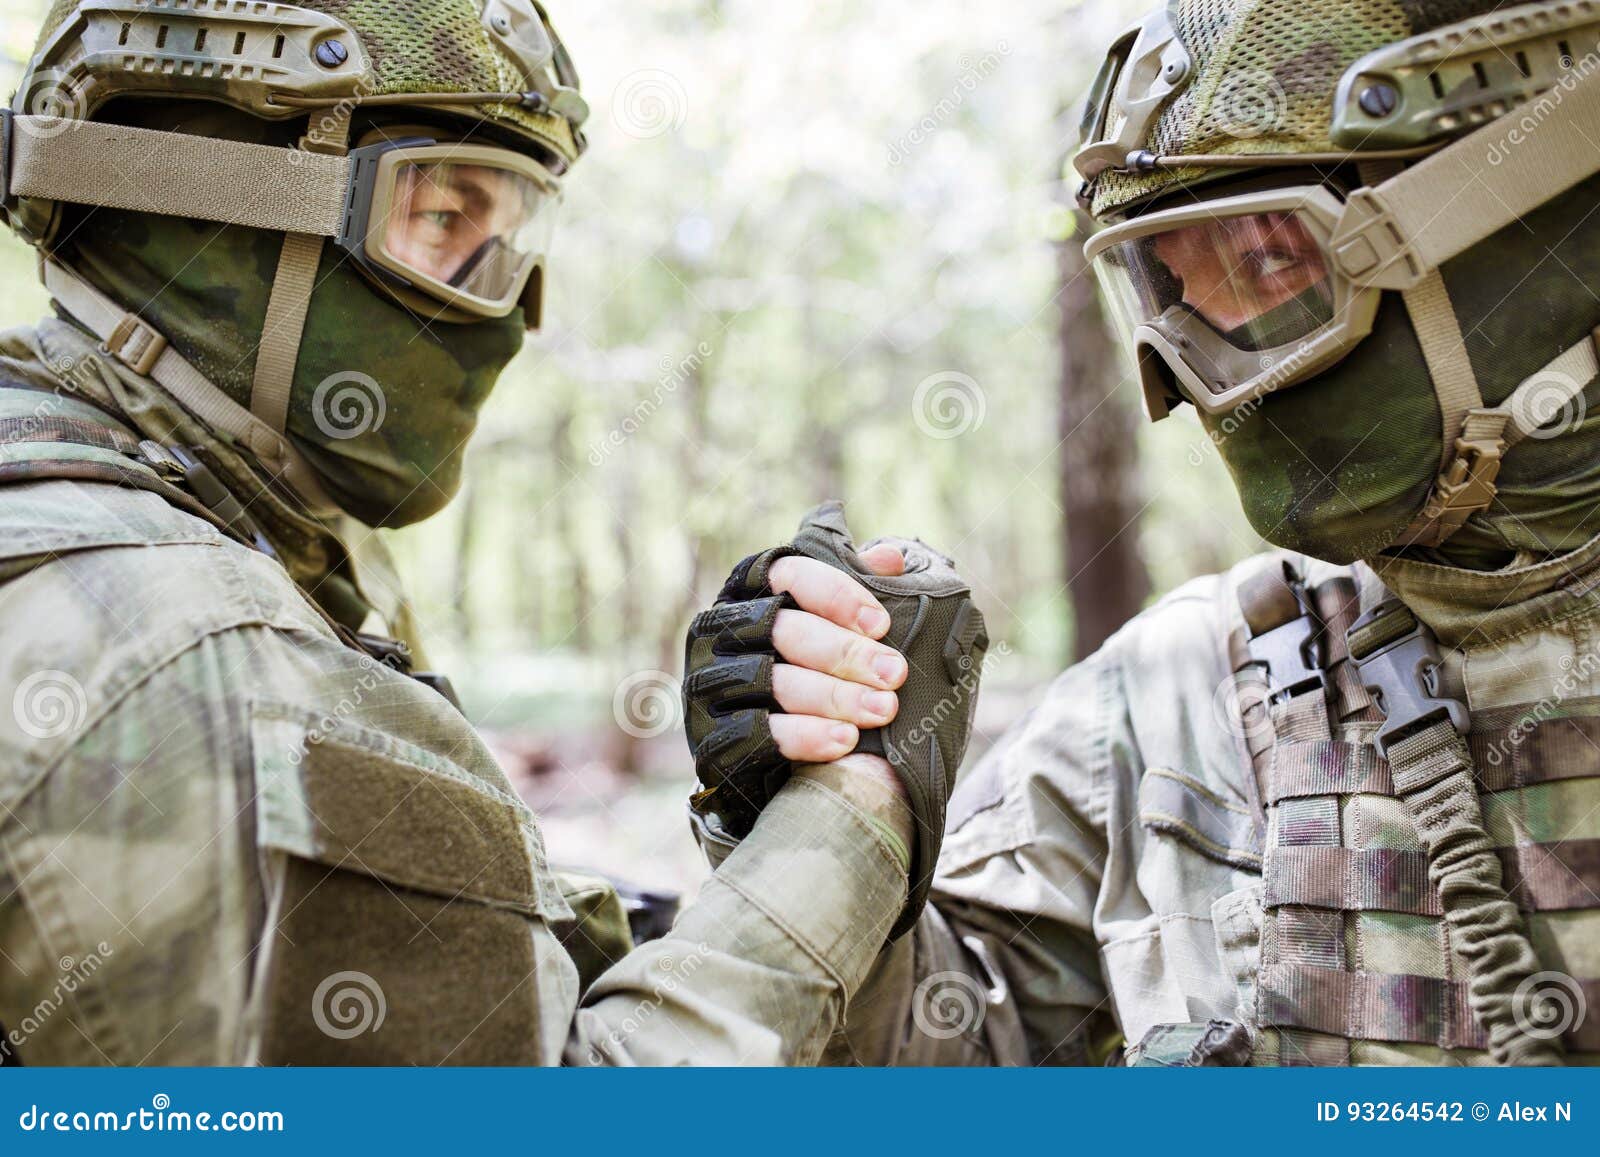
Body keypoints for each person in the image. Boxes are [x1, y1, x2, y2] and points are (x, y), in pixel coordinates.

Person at [0, 0, 926, 1066]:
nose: (508, 314)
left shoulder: (165, 518)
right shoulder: (186, 656)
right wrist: (853, 821)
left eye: (509, 234)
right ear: (199, 201)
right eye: (441, 218)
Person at [685, 0, 1600, 1066]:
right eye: (1173, 288)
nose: (1198, 386)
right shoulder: (1176, 690)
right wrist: (817, 823)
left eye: (1267, 265)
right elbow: (950, 1044)